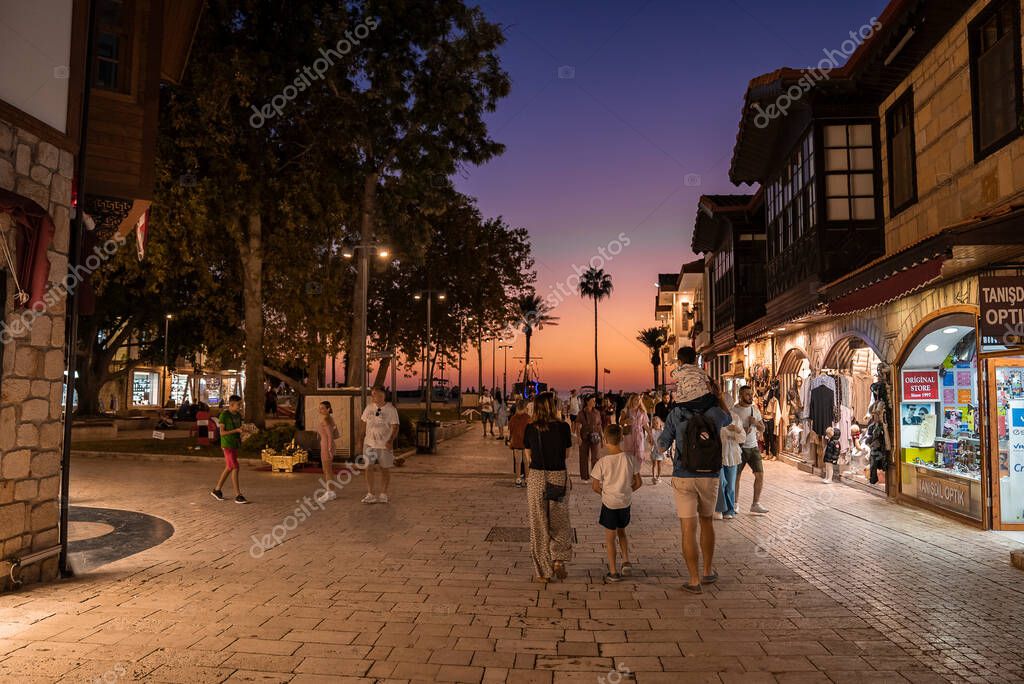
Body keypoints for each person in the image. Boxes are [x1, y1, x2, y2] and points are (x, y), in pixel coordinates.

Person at [658, 347, 731, 593]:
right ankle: (708, 571)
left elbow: (661, 445)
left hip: (684, 475)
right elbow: (729, 419)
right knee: (707, 522)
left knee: (688, 529)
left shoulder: (677, 412)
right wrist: (718, 395)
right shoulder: (713, 411)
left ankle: (693, 580)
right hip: (709, 475)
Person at [523, 392, 574, 582]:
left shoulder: (530, 429)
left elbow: (529, 457)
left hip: (537, 478)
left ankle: (543, 572)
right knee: (560, 520)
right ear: (553, 407)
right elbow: (567, 455)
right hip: (558, 476)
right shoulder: (563, 428)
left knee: (539, 524)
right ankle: (559, 559)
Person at [591, 424, 642, 583]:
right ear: (621, 439)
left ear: (605, 440)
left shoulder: (602, 462)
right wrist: (626, 491)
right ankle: (626, 561)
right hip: (625, 502)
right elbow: (639, 482)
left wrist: (605, 493)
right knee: (622, 532)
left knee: (610, 538)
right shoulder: (630, 459)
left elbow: (595, 486)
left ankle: (613, 572)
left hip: (609, 504)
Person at [359, 387, 400, 504]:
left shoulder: (391, 409)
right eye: (372, 394)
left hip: (384, 445)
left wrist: (390, 441)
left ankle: (383, 494)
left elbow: (395, 427)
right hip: (369, 443)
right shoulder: (369, 408)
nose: (372, 397)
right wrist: (360, 439)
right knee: (368, 467)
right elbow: (363, 423)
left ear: (382, 395)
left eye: (374, 394)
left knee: (384, 468)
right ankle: (370, 493)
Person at [734, 385, 770, 515]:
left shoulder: (755, 409)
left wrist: (755, 423)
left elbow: (763, 429)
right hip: (740, 448)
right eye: (747, 394)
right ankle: (735, 503)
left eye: (751, 394)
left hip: (753, 447)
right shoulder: (735, 411)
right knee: (736, 477)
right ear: (741, 395)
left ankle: (755, 504)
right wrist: (741, 430)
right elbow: (729, 429)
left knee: (760, 475)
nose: (750, 397)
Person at [714, 394, 747, 520]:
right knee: (721, 482)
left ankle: (730, 510)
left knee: (730, 485)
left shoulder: (735, 418)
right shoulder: (715, 418)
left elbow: (742, 438)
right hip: (718, 454)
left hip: (732, 454)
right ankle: (720, 509)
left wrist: (737, 430)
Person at [211, 395, 248, 504]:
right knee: (235, 467)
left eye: (240, 404)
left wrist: (244, 432)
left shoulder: (238, 415)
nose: (240, 407)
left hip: (235, 444)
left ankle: (217, 490)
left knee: (229, 467)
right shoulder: (224, 415)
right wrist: (236, 431)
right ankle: (238, 495)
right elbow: (222, 433)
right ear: (231, 404)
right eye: (238, 404)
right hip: (227, 444)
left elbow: (239, 429)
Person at [619, 393, 652, 472]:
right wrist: (626, 421)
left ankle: (637, 472)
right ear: (632, 400)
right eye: (636, 399)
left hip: (639, 434)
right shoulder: (626, 410)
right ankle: (630, 473)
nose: (637, 401)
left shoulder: (642, 411)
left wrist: (650, 435)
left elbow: (645, 424)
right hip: (629, 434)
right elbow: (620, 422)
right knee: (629, 455)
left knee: (640, 455)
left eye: (639, 399)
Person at [316, 401, 340, 503]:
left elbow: (330, 435)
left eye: (322, 408)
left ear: (328, 409)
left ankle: (329, 492)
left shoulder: (326, 420)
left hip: (326, 447)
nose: (320, 410)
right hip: (325, 445)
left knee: (327, 470)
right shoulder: (329, 419)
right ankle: (331, 491)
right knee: (327, 470)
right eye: (319, 408)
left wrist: (329, 448)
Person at [577, 395, 603, 481]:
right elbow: (578, 426)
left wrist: (602, 437)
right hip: (584, 437)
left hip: (595, 437)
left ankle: (595, 476)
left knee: (595, 457)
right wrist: (578, 437)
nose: (595, 402)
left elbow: (599, 426)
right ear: (588, 402)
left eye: (595, 400)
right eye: (593, 400)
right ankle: (584, 477)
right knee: (584, 457)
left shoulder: (597, 412)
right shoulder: (581, 413)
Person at [508, 399, 531, 487]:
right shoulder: (528, 418)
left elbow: (511, 430)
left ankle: (518, 480)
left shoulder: (513, 418)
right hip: (526, 443)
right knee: (526, 462)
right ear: (525, 407)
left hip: (516, 442)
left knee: (518, 462)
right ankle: (527, 479)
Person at [649, 415, 667, 484]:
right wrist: (650, 441)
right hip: (654, 449)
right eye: (654, 423)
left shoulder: (662, 431)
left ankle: (658, 477)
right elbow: (649, 440)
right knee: (654, 464)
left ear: (660, 423)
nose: (655, 424)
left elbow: (665, 440)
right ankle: (653, 477)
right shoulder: (652, 431)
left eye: (657, 423)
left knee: (659, 464)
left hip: (660, 450)